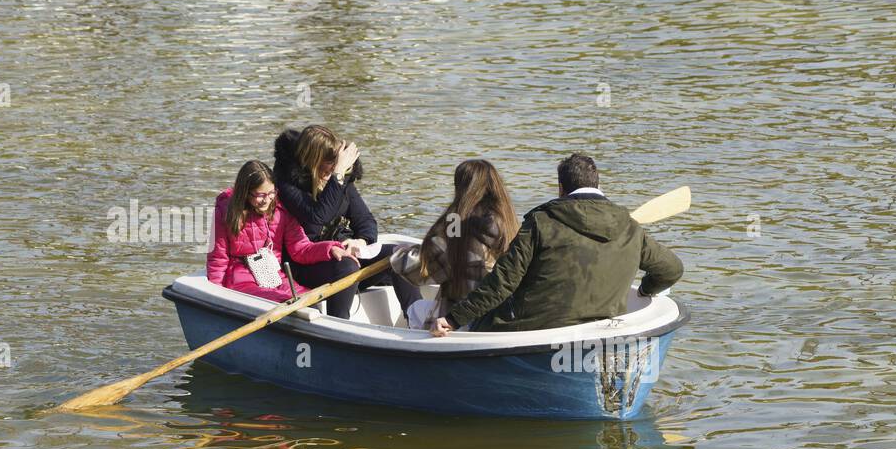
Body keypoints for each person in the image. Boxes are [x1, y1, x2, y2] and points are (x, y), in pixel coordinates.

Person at [430, 154, 682, 336]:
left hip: (532, 329)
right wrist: (646, 290)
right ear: (597, 185)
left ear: (561, 188)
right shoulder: (629, 226)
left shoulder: (540, 223)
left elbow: (502, 284)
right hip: (600, 329)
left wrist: (453, 318)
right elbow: (671, 270)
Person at [273, 125, 419, 318]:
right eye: (327, 163)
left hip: (343, 253)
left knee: (400, 255)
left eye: (335, 163)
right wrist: (338, 177)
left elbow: (366, 221)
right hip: (307, 263)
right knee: (347, 265)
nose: (332, 168)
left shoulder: (340, 182)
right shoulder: (287, 184)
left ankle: (419, 319)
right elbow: (317, 217)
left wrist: (360, 241)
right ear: (310, 161)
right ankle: (339, 324)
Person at [389, 159, 519, 329]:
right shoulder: (508, 222)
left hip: (459, 319)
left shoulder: (456, 221)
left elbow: (422, 270)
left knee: (414, 309)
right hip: (498, 317)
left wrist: (398, 254)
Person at [206, 161, 357, 304]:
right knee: (282, 300)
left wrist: (330, 248)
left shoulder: (281, 211)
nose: (267, 200)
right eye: (260, 195)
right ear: (246, 193)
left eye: (271, 193)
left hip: (275, 276)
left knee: (307, 300)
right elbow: (218, 259)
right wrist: (214, 295)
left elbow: (301, 249)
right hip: (242, 281)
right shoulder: (224, 214)